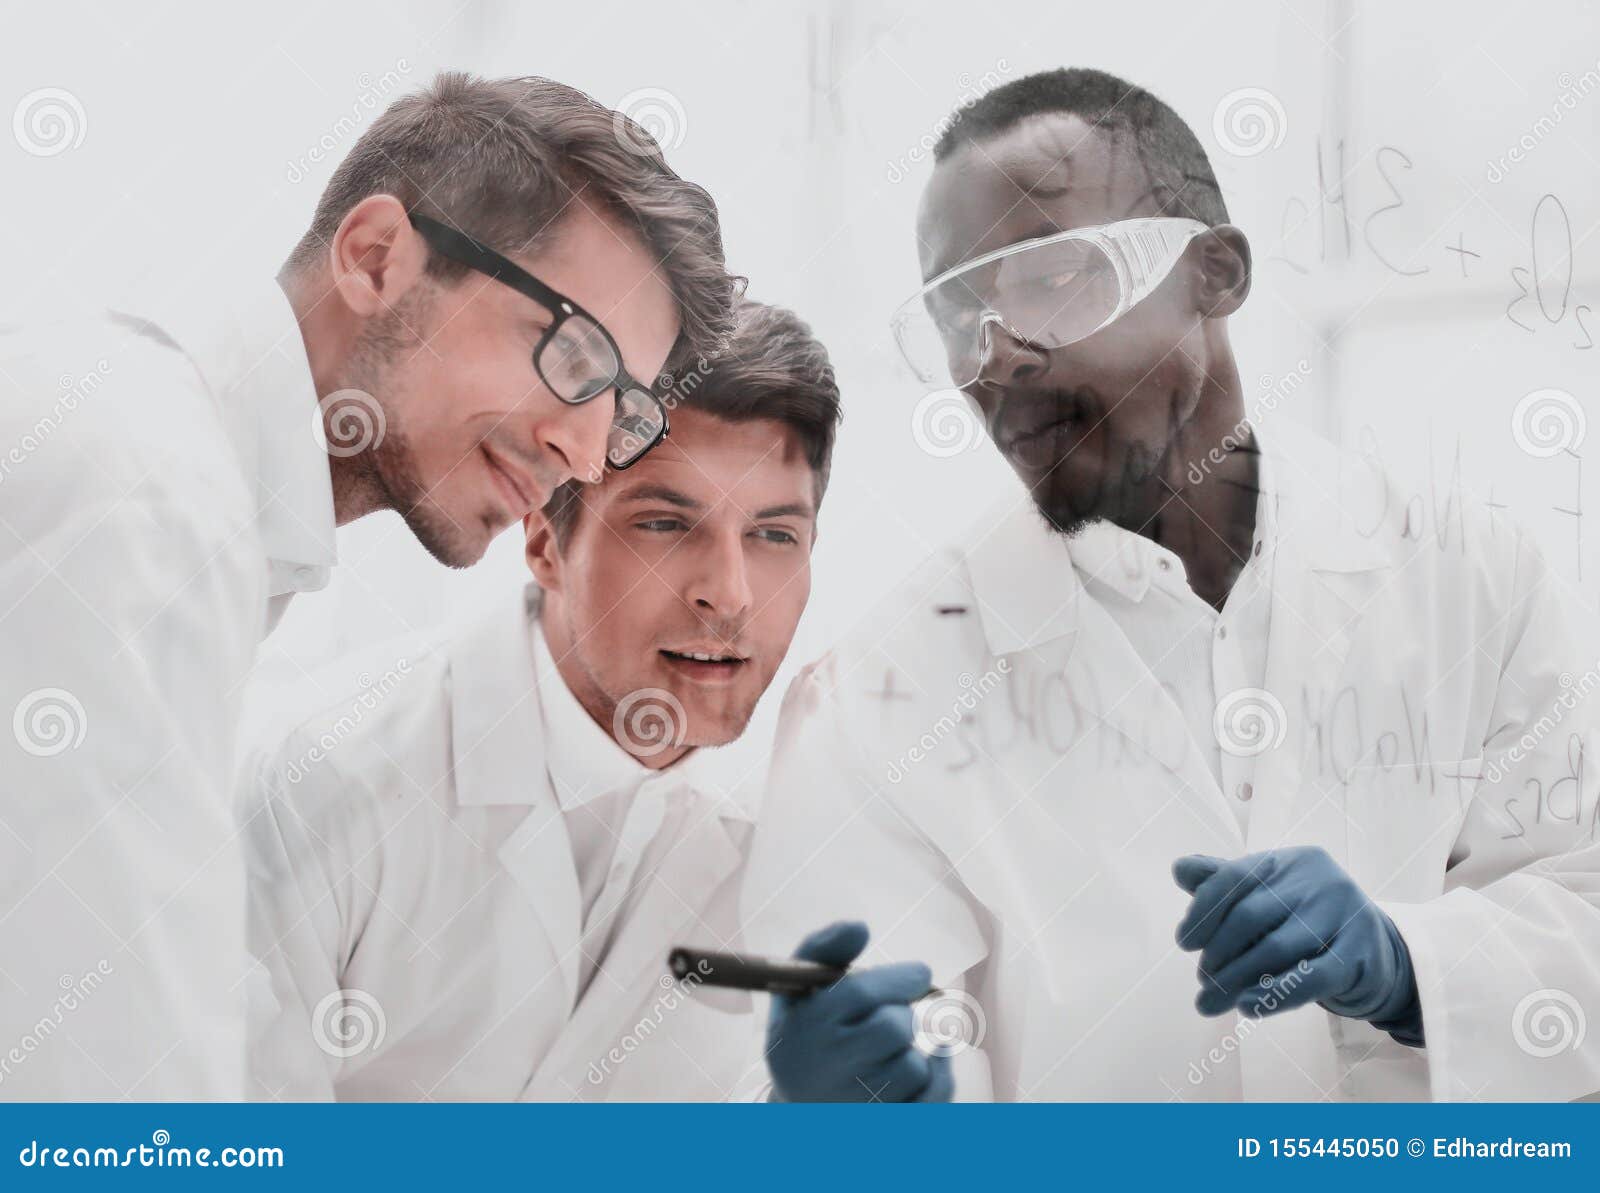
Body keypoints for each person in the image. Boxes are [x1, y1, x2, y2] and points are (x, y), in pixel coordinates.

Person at [741, 67, 1600, 1102]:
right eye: (958, 313)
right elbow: (884, 1060)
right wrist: (838, 1111)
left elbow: (1582, 905)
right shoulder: (879, 694)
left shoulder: (1470, 577)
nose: (996, 356)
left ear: (1213, 273)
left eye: (1049, 276)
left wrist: (1404, 965)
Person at [0, 71, 737, 1099]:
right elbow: (102, 1084)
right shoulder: (147, 497)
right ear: (376, 256)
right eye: (575, 358)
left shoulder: (188, 485)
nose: (583, 451)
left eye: (624, 412)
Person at [246, 301, 840, 1100]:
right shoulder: (320, 781)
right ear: (543, 541)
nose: (729, 595)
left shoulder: (816, 832)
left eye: (773, 535)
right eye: (665, 523)